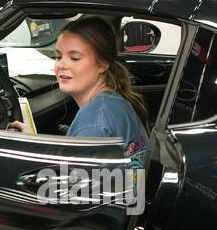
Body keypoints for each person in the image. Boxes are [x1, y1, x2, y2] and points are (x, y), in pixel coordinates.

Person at [9, 17, 149, 171]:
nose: (62, 64)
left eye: (74, 58)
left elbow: (72, 188)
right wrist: (34, 142)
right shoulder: (113, 102)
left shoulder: (93, 125)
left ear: (102, 64)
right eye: (58, 56)